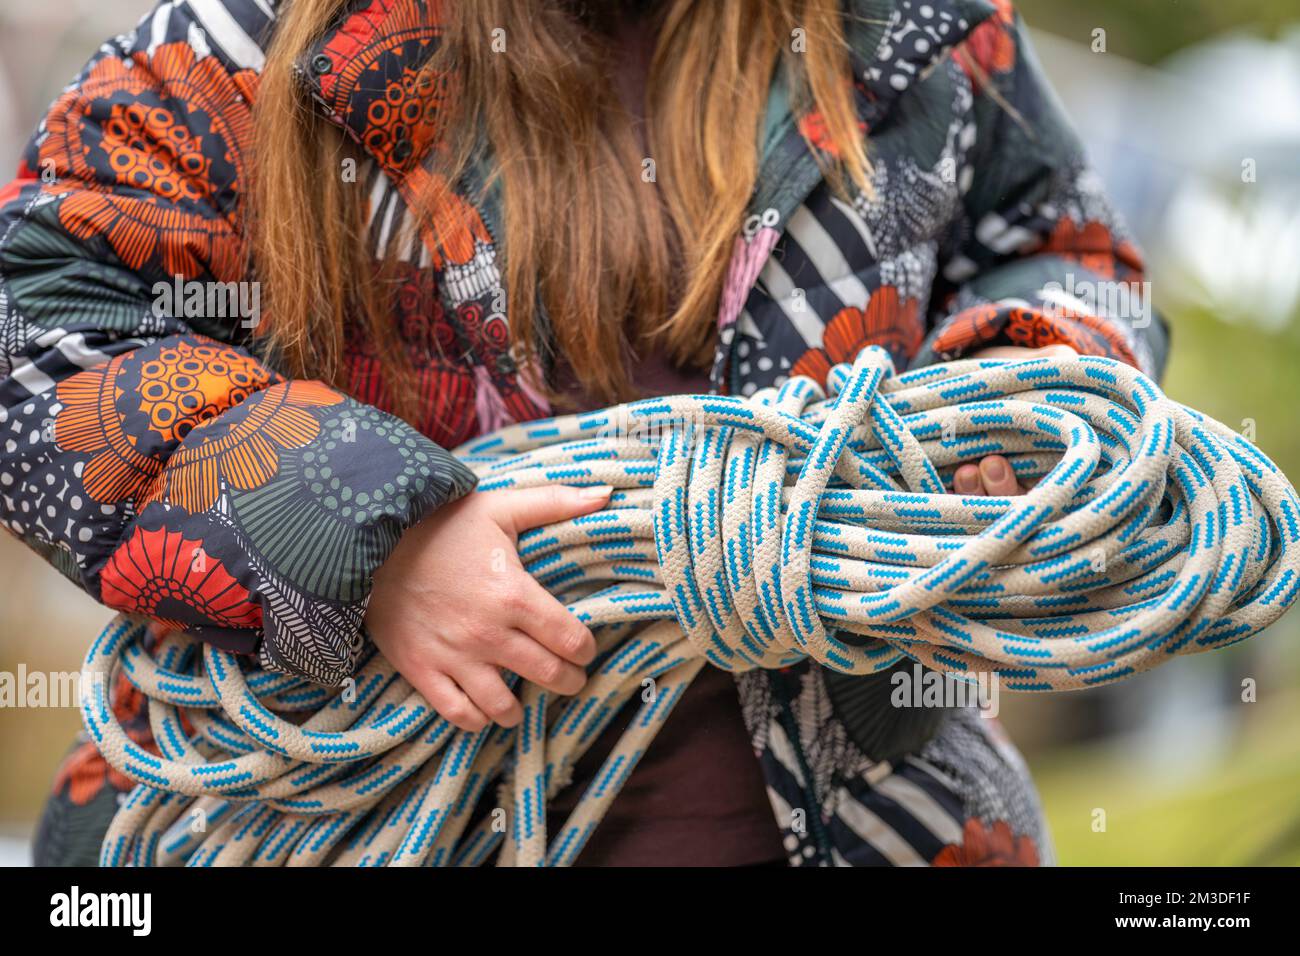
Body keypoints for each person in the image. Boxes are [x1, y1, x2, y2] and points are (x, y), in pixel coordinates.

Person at [1, 0, 1166, 866]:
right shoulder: (246, 44)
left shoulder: (911, 23)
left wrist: (1019, 397)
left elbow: (1063, 239)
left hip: (888, 820)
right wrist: (373, 544)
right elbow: (35, 328)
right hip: (315, 824)